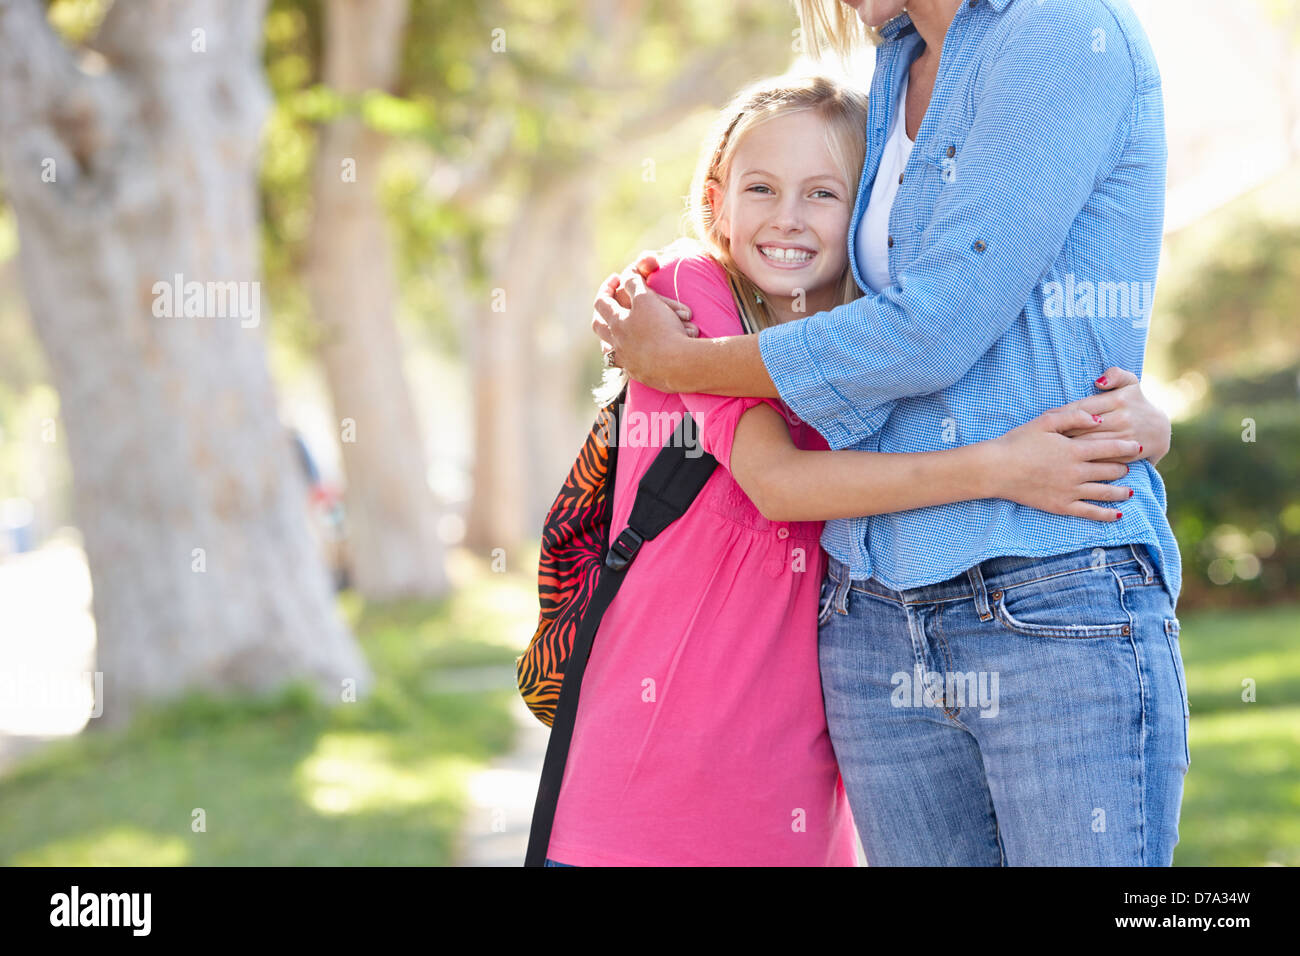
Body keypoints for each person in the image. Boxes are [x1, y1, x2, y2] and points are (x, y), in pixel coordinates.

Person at [547, 69, 1169, 866]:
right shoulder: (691, 296)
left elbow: (1010, 383)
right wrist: (1002, 469)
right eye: (761, 189)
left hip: (791, 810)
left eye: (823, 194)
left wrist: (1144, 423)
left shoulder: (872, 345)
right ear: (717, 204)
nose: (787, 219)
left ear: (872, 212)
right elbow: (776, 484)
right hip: (640, 797)